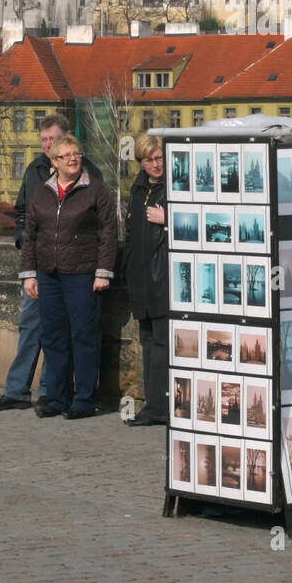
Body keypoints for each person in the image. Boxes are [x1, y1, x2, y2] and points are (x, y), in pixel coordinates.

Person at [0, 114, 103, 413]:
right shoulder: (35, 171)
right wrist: (25, 244)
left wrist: (101, 269)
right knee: (36, 328)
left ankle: (57, 395)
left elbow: (104, 227)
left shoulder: (90, 175)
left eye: (53, 140)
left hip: (77, 269)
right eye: (44, 141)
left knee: (71, 333)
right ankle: (19, 390)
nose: (47, 145)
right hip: (42, 267)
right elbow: (23, 212)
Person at [19, 133, 117, 420]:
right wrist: (29, 275)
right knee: (53, 337)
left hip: (83, 275)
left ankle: (84, 399)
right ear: (54, 162)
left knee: (84, 337)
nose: (73, 159)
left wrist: (103, 272)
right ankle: (57, 397)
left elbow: (108, 233)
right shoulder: (42, 191)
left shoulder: (96, 190)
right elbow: (31, 235)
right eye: (66, 155)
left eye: (77, 154)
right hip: (49, 274)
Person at [122, 134, 169, 426]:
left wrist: (169, 218)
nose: (155, 164)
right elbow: (130, 234)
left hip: (163, 278)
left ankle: (161, 407)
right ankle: (153, 405)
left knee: (163, 344)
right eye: (149, 159)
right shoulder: (138, 189)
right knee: (148, 343)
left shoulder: (175, 187)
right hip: (141, 278)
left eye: (159, 158)